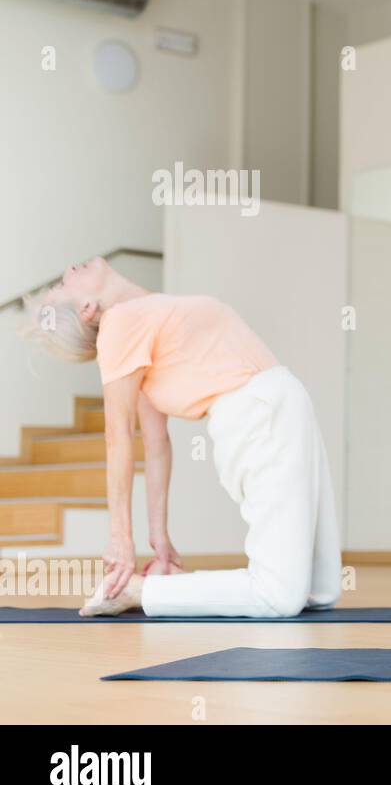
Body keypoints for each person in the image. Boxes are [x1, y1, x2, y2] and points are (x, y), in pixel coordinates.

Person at [21, 257, 340, 617]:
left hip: (284, 402)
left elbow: (157, 446)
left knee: (322, 587)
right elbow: (119, 438)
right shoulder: (119, 325)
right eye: (63, 287)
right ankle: (141, 592)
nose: (69, 271)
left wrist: (159, 540)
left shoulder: (147, 315)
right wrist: (120, 538)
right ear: (87, 308)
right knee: (278, 596)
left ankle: (161, 583)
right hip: (257, 414)